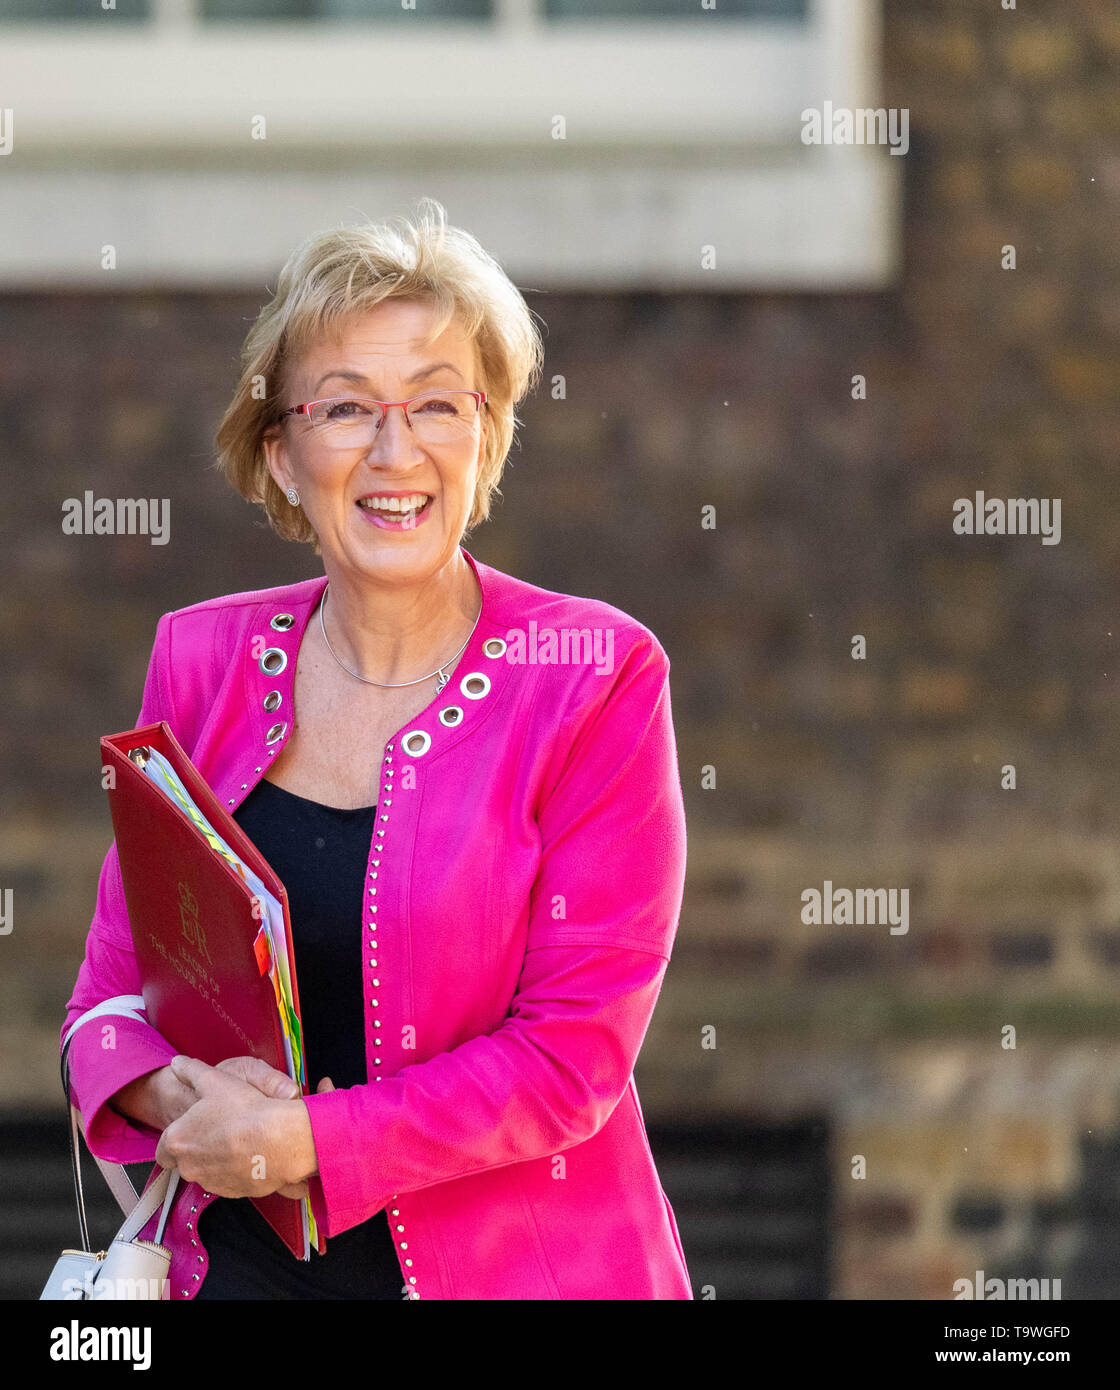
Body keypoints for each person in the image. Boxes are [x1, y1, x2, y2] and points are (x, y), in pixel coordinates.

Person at [61, 198, 692, 1300]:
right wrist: (184, 1107)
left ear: (485, 438)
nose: (395, 450)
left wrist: (299, 1140)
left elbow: (569, 1061)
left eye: (439, 405)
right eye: (346, 407)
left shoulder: (596, 674)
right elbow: (106, 1010)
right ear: (283, 453)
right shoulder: (198, 658)